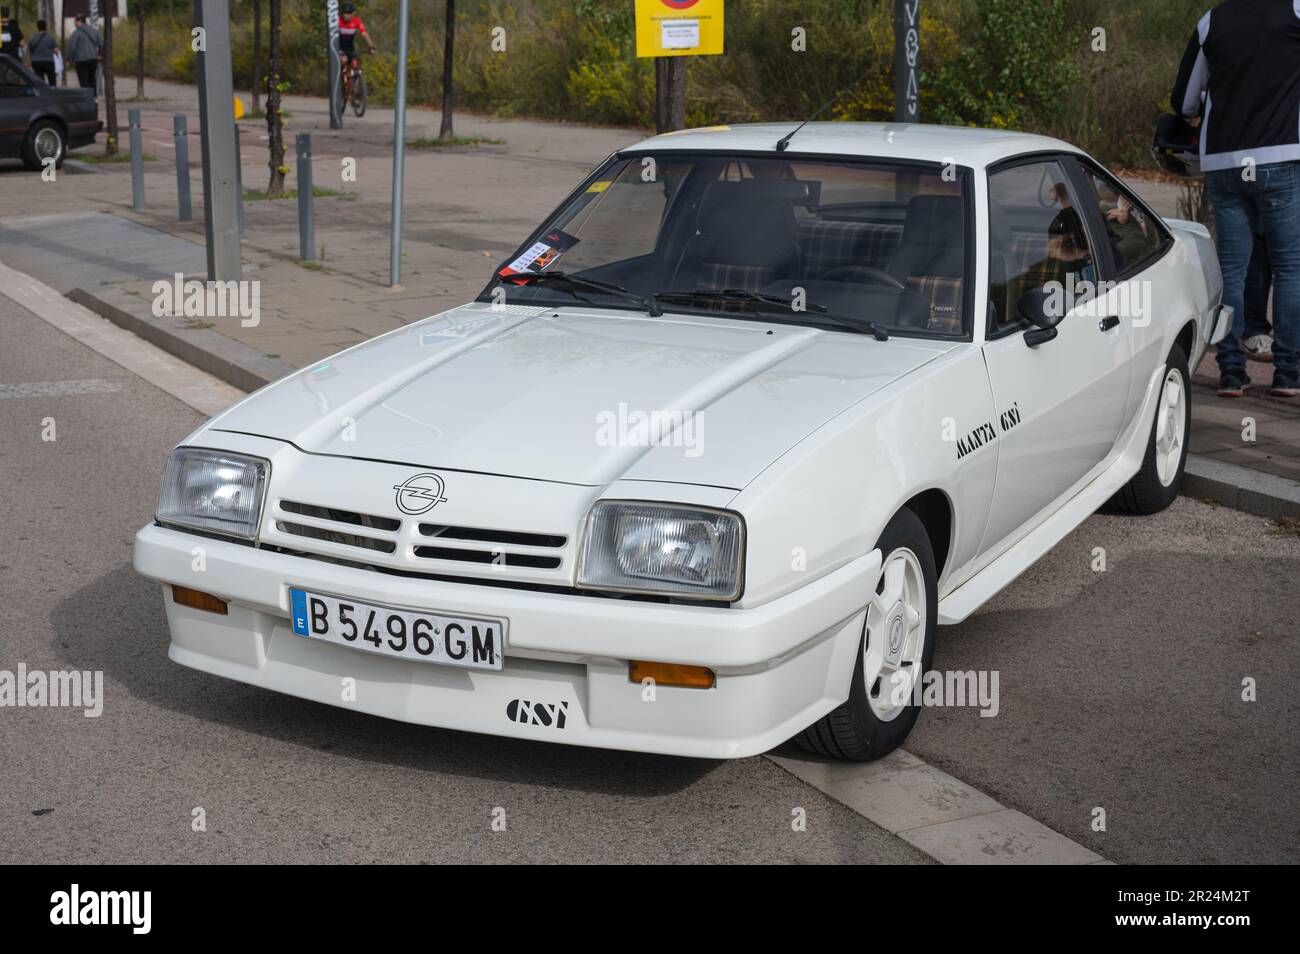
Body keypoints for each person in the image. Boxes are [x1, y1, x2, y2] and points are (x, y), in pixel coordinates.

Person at [1171, 0, 1300, 398]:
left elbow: (1185, 102)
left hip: (1225, 161)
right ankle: (1288, 373)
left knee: (1231, 269)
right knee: (1290, 267)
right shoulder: (1294, 12)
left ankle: (1230, 370)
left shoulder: (1212, 21)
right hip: (1281, 156)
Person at [337, 2, 375, 97]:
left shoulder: (356, 21)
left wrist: (371, 46)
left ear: (352, 14)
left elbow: (365, 34)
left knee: (356, 65)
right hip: (340, 48)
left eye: (348, 13)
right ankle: (340, 84)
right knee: (344, 60)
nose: (345, 15)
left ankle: (355, 90)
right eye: (344, 12)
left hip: (350, 48)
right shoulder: (338, 21)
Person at [68, 15, 101, 91]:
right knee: (92, 80)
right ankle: (94, 99)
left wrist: (70, 58)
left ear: (79, 21)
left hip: (81, 61)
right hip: (93, 60)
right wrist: (99, 55)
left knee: (84, 82)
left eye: (75, 21)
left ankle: (86, 100)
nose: (74, 23)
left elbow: (72, 48)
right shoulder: (94, 31)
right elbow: (101, 43)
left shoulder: (76, 33)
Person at [27, 18, 56, 85]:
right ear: (46, 26)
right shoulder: (51, 37)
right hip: (49, 61)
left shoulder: (32, 37)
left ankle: (42, 94)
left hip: (36, 62)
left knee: (40, 82)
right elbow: (54, 49)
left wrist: (30, 61)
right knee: (52, 80)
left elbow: (29, 50)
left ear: (38, 27)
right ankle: (53, 93)